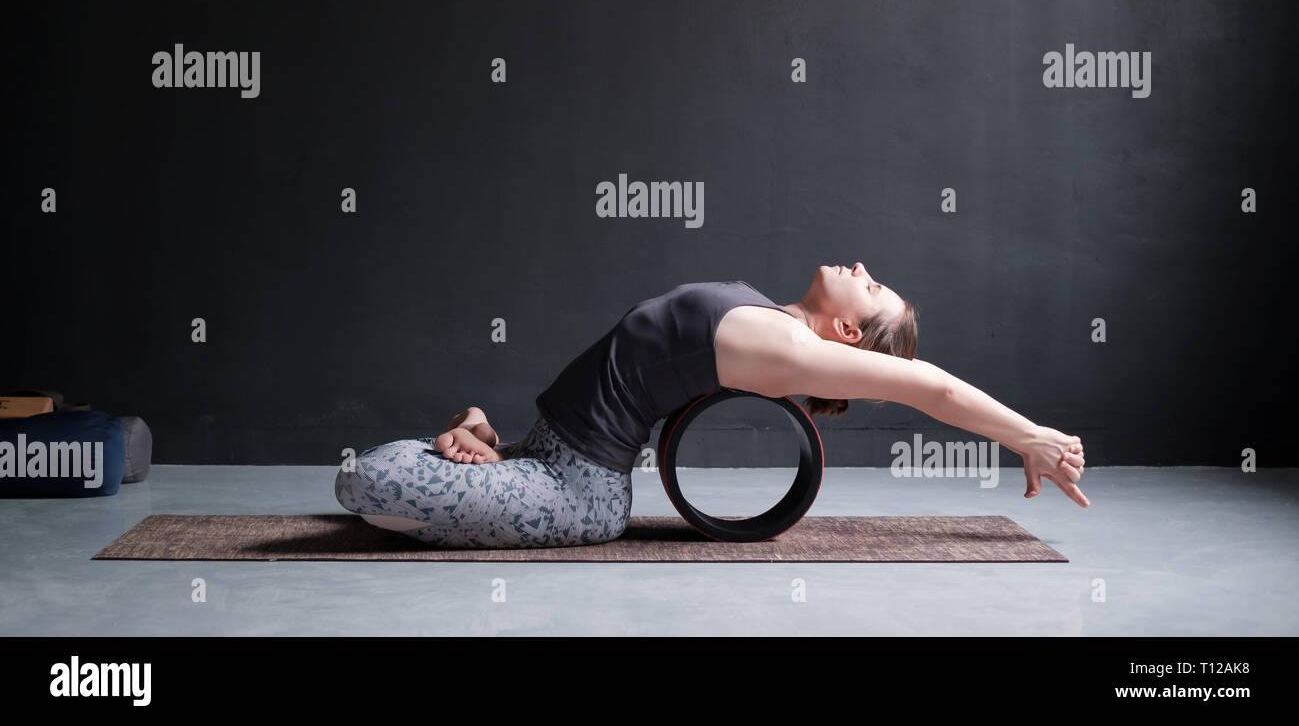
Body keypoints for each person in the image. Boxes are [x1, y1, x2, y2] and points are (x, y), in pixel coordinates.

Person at [334, 264, 1087, 549]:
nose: (861, 267)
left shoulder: (787, 350)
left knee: (363, 481)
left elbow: (936, 388)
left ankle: (454, 476)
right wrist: (485, 437)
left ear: (850, 332)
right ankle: (480, 439)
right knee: (393, 472)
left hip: (573, 496)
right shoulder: (769, 316)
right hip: (546, 460)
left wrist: (1035, 438)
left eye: (871, 283)